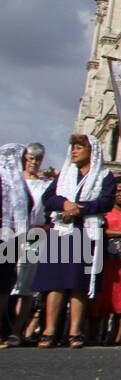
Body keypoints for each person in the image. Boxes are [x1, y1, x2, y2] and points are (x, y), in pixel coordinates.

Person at [32, 135, 117, 349]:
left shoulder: (104, 176)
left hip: (85, 231)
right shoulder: (64, 175)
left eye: (79, 148)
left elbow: (106, 201)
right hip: (61, 230)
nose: (74, 152)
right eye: (73, 148)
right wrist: (64, 204)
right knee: (55, 282)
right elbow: (48, 198)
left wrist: (79, 209)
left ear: (91, 151)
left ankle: (75, 331)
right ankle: (49, 330)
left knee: (78, 282)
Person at [5, 143, 51, 346]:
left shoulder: (44, 185)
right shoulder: (11, 181)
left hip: (33, 235)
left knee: (25, 285)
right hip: (11, 234)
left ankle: (17, 330)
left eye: (38, 159)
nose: (34, 162)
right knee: (7, 282)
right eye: (30, 158)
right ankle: (5, 327)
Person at [89, 181, 121, 346]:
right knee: (101, 298)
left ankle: (119, 335)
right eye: (118, 191)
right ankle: (94, 334)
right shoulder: (104, 212)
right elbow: (98, 229)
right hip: (105, 259)